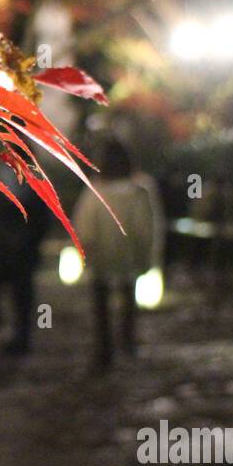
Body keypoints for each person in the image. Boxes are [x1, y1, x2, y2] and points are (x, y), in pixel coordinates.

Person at [73, 137, 164, 369]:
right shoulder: (140, 192)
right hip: (130, 256)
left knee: (101, 304)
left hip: (101, 259)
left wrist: (86, 254)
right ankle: (128, 342)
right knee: (128, 300)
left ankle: (104, 350)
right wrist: (147, 257)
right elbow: (147, 227)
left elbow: (85, 228)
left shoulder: (94, 192)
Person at [0, 165, 49, 356]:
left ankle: (18, 336)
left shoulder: (30, 185)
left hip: (16, 250)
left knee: (19, 296)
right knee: (2, 293)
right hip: (4, 249)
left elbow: (41, 220)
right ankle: (10, 333)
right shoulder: (3, 182)